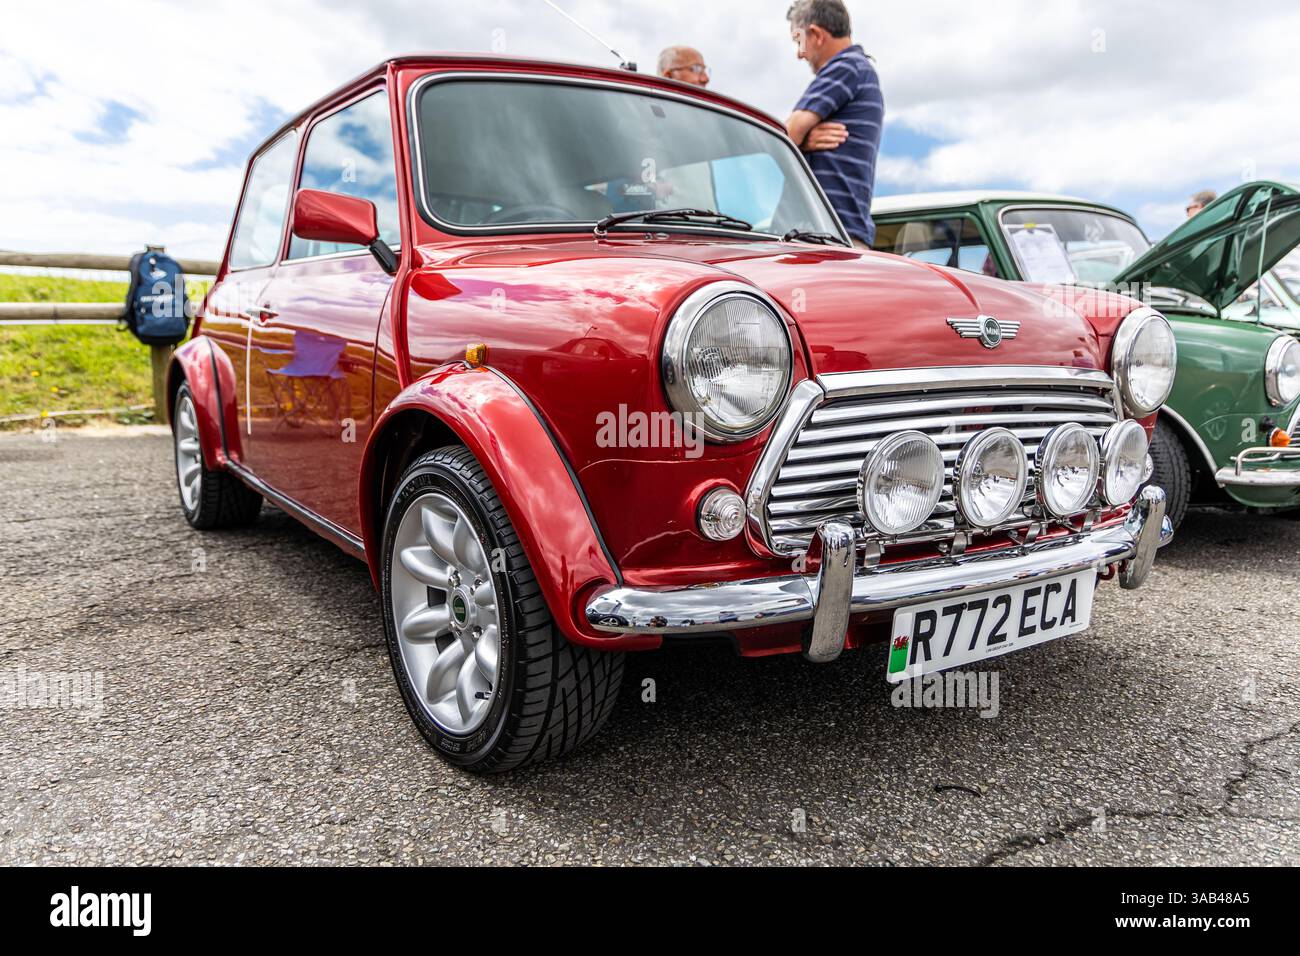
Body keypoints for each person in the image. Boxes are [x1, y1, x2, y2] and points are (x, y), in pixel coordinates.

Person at [785, 0, 884, 248]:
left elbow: (789, 132)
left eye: (799, 40)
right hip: (842, 230)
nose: (799, 54)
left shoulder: (846, 67)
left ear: (816, 34)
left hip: (828, 233)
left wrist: (800, 140)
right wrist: (806, 142)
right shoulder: (860, 70)